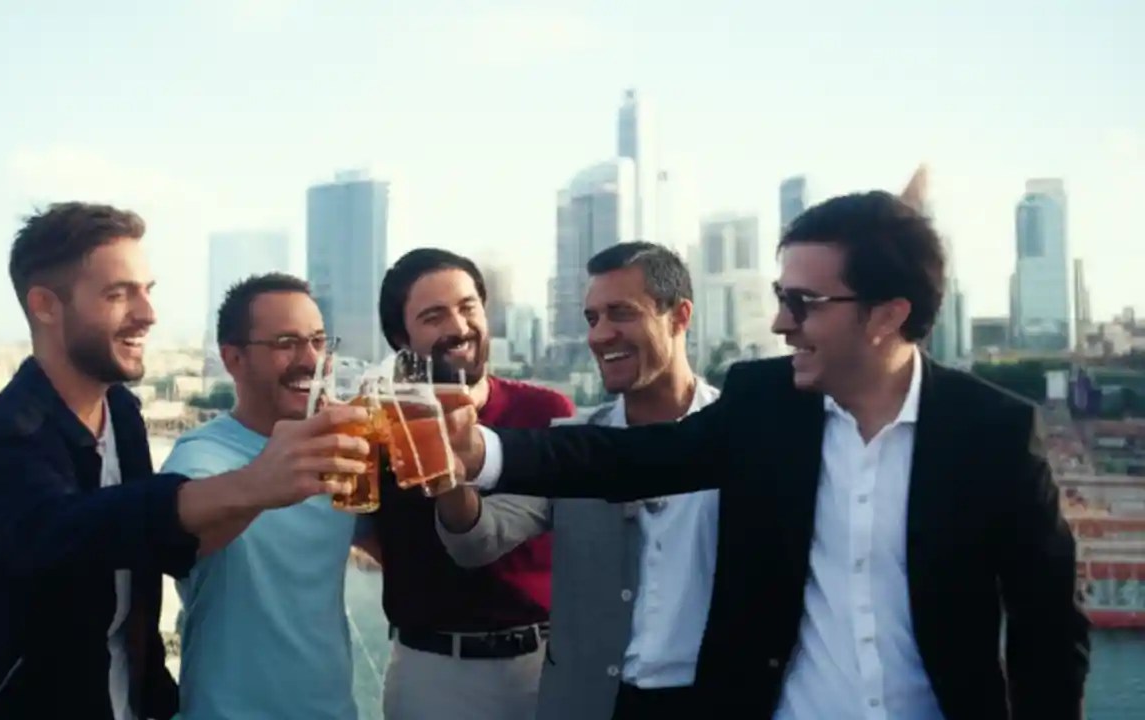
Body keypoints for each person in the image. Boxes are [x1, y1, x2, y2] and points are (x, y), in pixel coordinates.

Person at [449, 191, 1091, 718]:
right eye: (781, 298)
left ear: (886, 315)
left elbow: (1048, 632)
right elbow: (625, 459)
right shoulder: (766, 404)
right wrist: (482, 450)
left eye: (801, 303)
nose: (781, 322)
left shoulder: (995, 432)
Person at [0, 203, 365, 720]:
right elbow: (65, 535)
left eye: (147, 291)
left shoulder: (122, 414)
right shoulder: (3, 436)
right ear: (45, 305)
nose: (148, 314)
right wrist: (253, 484)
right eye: (118, 294)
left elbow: (158, 549)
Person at [436, 241, 722, 719]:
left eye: (620, 314)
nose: (601, 335)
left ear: (680, 316)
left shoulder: (748, 438)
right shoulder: (572, 447)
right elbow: (476, 541)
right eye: (592, 319)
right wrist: (445, 466)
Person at [361, 248, 575, 720]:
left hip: (543, 664)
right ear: (401, 337)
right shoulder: (376, 427)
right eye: (433, 316)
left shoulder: (547, 413)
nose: (457, 327)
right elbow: (364, 535)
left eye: (467, 307)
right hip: (430, 674)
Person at [162, 273, 362, 719]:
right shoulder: (200, 459)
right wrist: (262, 484)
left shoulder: (339, 447)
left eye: (318, 341)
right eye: (286, 343)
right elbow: (180, 536)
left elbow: (398, 555)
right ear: (233, 359)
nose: (310, 360)